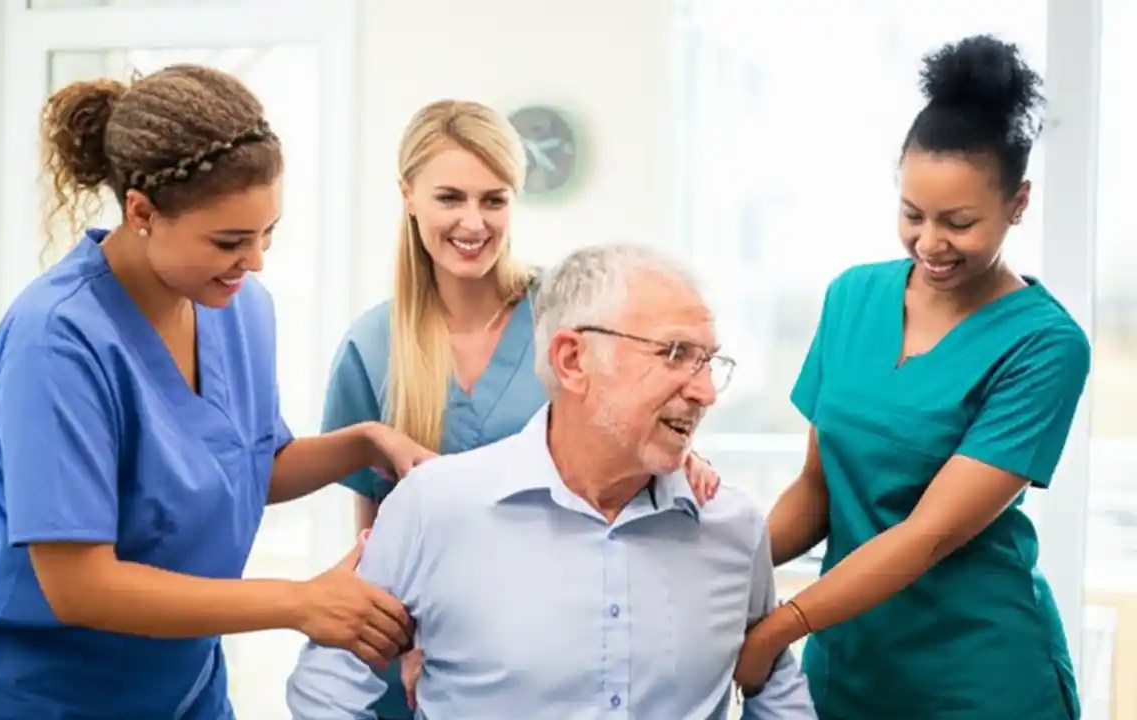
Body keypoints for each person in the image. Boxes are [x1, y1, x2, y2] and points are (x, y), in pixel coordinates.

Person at [0, 65, 435, 719]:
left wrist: (363, 444)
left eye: (268, 233)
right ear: (142, 212)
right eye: (229, 241)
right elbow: (81, 585)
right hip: (37, 690)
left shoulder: (242, 309)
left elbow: (243, 466)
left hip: (177, 684)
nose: (256, 261)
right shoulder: (57, 339)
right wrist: (300, 602)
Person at [288, 244, 816, 719]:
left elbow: (774, 688)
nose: (705, 392)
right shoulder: (435, 508)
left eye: (708, 361)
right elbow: (328, 687)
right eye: (675, 354)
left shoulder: (732, 525)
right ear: (572, 360)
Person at [320, 99, 719, 718]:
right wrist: (404, 642)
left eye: (495, 199)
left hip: (567, 637)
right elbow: (377, 529)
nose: (473, 222)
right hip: (427, 654)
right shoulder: (372, 345)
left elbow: (642, 417)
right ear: (407, 195)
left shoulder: (573, 317)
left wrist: (685, 458)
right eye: (450, 197)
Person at [733, 35, 1091, 719]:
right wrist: (719, 570)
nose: (931, 243)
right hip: (849, 660)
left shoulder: (1045, 344)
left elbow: (928, 534)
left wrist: (778, 627)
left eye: (959, 222)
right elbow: (818, 488)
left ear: (1018, 203)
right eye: (912, 214)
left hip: (977, 674)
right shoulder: (852, 297)